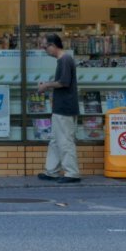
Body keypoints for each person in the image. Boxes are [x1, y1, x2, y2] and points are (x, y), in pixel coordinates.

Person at [37, 33, 81, 183]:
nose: (45, 50)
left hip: (65, 107)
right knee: (56, 140)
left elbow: (64, 82)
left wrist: (46, 85)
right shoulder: (63, 60)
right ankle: (52, 171)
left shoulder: (64, 60)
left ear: (53, 45)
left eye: (45, 47)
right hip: (61, 107)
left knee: (65, 141)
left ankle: (72, 173)